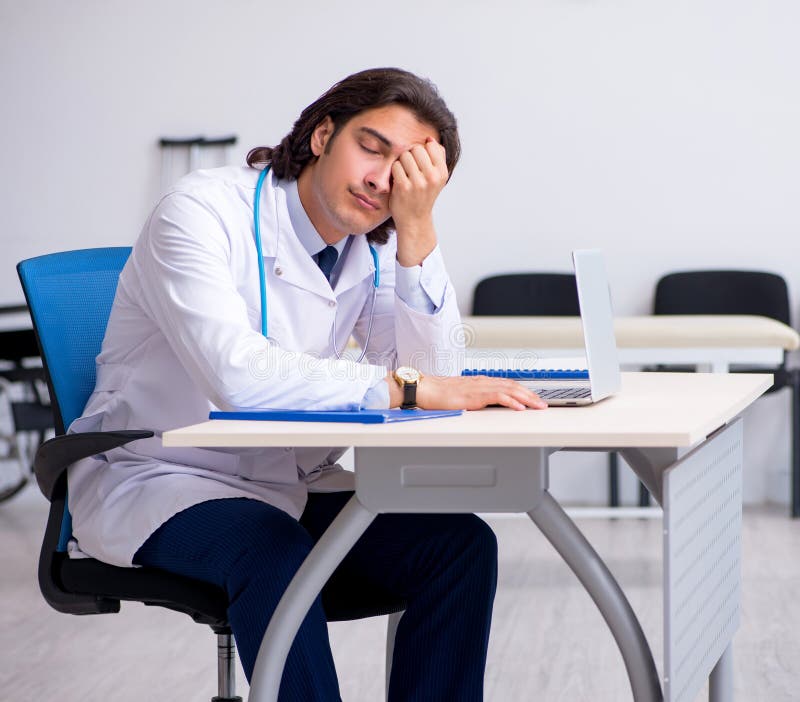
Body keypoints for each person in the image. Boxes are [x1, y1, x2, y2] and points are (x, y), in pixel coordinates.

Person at [67, 67, 546, 700]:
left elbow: (436, 376)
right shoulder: (199, 212)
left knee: (459, 545)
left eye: (406, 171)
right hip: (161, 476)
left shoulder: (372, 244)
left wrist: (418, 229)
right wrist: (404, 388)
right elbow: (238, 377)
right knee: (272, 548)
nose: (381, 179)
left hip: (284, 482)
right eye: (372, 148)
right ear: (323, 134)